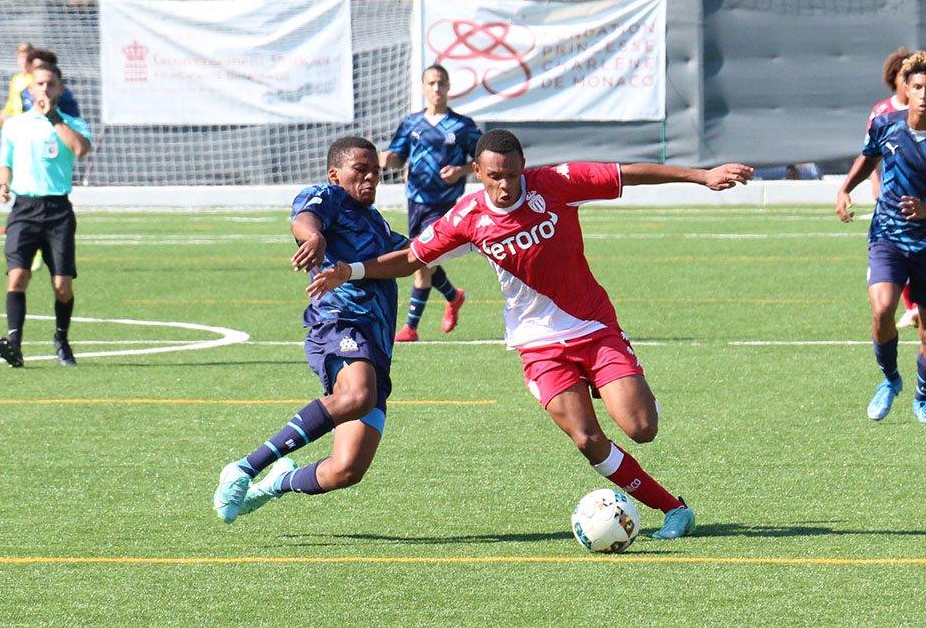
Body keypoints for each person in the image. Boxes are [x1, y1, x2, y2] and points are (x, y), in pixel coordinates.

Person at [308, 129, 754, 539]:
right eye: (495, 177)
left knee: (642, 428)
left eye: (514, 175)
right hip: (537, 343)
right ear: (477, 172)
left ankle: (614, 380)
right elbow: (410, 258)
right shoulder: (466, 216)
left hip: (593, 327)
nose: (506, 186)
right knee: (587, 438)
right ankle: (675, 510)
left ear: (525, 166)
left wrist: (701, 176)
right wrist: (352, 271)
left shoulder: (556, 183)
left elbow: (628, 173)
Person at [212, 137, 411, 524]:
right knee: (358, 395)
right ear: (335, 173)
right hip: (339, 323)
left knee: (346, 469)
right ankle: (243, 468)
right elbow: (303, 220)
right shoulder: (327, 197)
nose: (371, 177)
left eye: (376, 172)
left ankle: (275, 483)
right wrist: (315, 236)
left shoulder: (376, 222)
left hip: (375, 345)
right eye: (361, 170)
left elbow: (408, 258)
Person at [836, 51, 926, 423]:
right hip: (888, 236)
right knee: (882, 310)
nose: (923, 95)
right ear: (905, 89)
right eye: (917, 87)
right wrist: (846, 188)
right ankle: (890, 380)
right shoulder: (885, 125)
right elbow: (868, 157)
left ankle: (923, 399)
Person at [0, 62, 92, 369]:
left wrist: (54, 117)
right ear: (30, 88)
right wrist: (3, 183)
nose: (44, 89)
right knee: (18, 276)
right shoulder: (14, 124)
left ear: (60, 90)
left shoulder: (71, 123)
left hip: (58, 210)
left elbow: (80, 149)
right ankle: (16, 346)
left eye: (50, 84)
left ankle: (61, 339)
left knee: (62, 285)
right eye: (39, 84)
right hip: (24, 208)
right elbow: (4, 161)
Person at [381, 65, 481, 342]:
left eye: (442, 83)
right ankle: (453, 295)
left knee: (421, 259)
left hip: (444, 204)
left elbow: (482, 159)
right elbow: (400, 156)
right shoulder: (412, 123)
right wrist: (390, 160)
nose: (437, 88)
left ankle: (410, 328)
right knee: (424, 258)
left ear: (449, 87)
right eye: (432, 83)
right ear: (423, 87)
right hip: (416, 201)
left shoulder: (462, 126)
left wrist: (461, 171)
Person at [868, 48, 926, 331]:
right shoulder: (881, 112)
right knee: (893, 248)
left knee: (917, 247)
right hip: (892, 196)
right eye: (907, 78)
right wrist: (875, 183)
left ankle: (917, 305)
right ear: (897, 79)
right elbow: (871, 154)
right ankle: (910, 306)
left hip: (924, 197)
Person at [0, 42, 35, 136]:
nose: (24, 61)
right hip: (18, 128)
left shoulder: (38, 79)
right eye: (22, 57)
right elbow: (10, 107)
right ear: (18, 59)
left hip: (33, 128)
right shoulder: (17, 80)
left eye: (27, 57)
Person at [20, 49, 81, 118]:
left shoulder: (64, 95)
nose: (45, 88)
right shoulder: (24, 92)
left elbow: (73, 120)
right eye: (37, 68)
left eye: (44, 67)